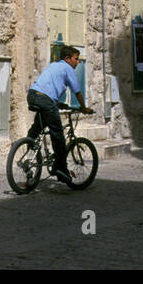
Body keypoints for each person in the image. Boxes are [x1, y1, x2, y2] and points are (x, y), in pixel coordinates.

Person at [25, 46, 93, 185]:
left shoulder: (54, 65)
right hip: (45, 100)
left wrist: (59, 104)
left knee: (37, 128)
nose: (78, 62)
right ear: (67, 59)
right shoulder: (68, 69)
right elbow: (77, 91)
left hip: (33, 95)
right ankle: (60, 169)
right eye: (76, 58)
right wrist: (84, 108)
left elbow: (48, 89)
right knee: (58, 135)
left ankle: (29, 153)